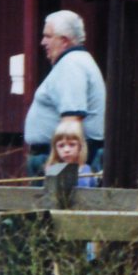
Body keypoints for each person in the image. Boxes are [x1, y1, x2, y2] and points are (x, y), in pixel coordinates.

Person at [24, 10, 106, 179]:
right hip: (57, 158)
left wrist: (60, 165)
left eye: (48, 36)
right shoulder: (74, 62)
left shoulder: (71, 65)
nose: (43, 42)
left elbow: (72, 120)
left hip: (59, 162)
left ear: (64, 40)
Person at [44, 117, 99, 188]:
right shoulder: (47, 170)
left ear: (80, 146)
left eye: (72, 145)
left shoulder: (89, 171)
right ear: (55, 148)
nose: (66, 150)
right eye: (61, 145)